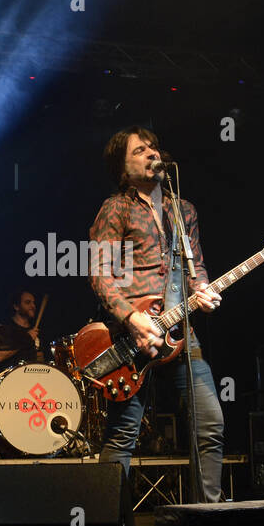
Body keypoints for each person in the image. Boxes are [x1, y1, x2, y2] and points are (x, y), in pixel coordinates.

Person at [88, 126, 224, 502]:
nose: (151, 153)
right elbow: (99, 274)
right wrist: (132, 319)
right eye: (140, 150)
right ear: (122, 166)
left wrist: (204, 291)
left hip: (182, 331)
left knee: (210, 426)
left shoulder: (183, 210)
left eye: (154, 147)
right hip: (133, 338)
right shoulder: (115, 208)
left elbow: (196, 269)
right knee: (122, 435)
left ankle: (209, 521)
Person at [0, 289, 43, 369]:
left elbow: (40, 358)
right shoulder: (5, 327)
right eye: (28, 302)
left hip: (31, 377)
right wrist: (26, 338)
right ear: (16, 307)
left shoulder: (34, 330)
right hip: (10, 377)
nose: (33, 306)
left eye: (33, 303)